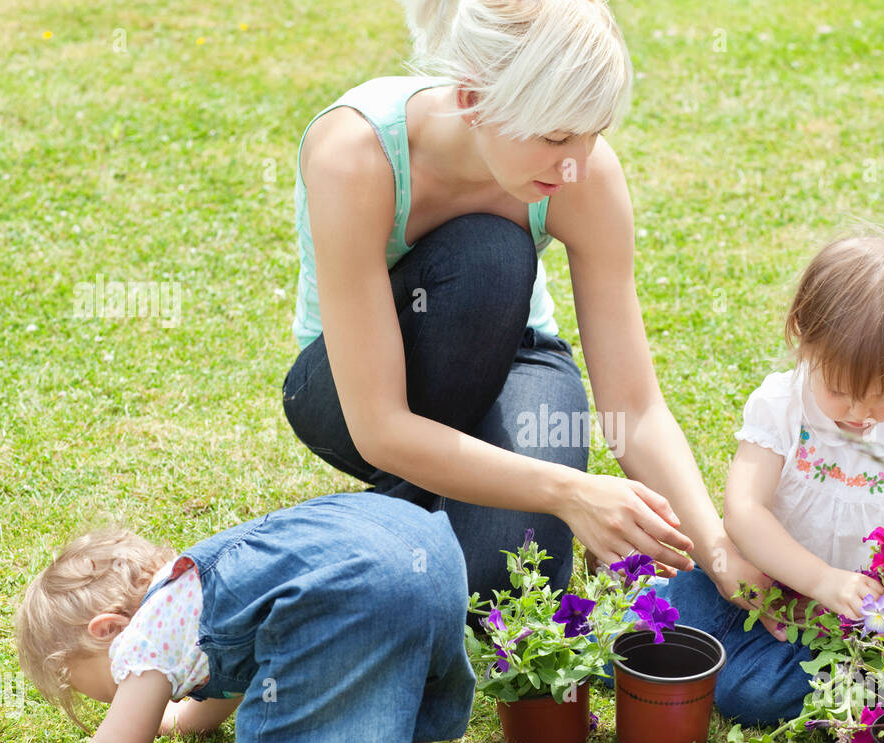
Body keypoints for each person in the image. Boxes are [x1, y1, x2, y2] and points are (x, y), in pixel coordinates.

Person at [280, 0, 768, 614]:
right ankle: (429, 497)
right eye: (557, 136)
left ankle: (435, 503)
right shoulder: (354, 153)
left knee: (505, 583)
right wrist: (570, 491)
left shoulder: (585, 176)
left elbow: (635, 409)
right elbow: (378, 426)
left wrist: (718, 551)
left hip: (514, 360)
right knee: (492, 255)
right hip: (350, 397)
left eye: (594, 132)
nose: (579, 164)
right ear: (471, 99)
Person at [7, 493, 474, 743]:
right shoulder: (190, 596)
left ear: (108, 629)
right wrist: (179, 720)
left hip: (358, 588)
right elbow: (230, 677)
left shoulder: (143, 635)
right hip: (424, 546)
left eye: (112, 691)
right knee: (398, 653)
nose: (126, 699)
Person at [641, 234, 884, 727]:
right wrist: (820, 580)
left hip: (853, 625)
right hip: (760, 587)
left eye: (883, 396)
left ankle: (797, 681)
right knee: (652, 623)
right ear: (804, 340)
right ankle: (730, 666)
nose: (861, 414)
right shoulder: (784, 409)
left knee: (754, 694)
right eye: (841, 391)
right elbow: (744, 510)